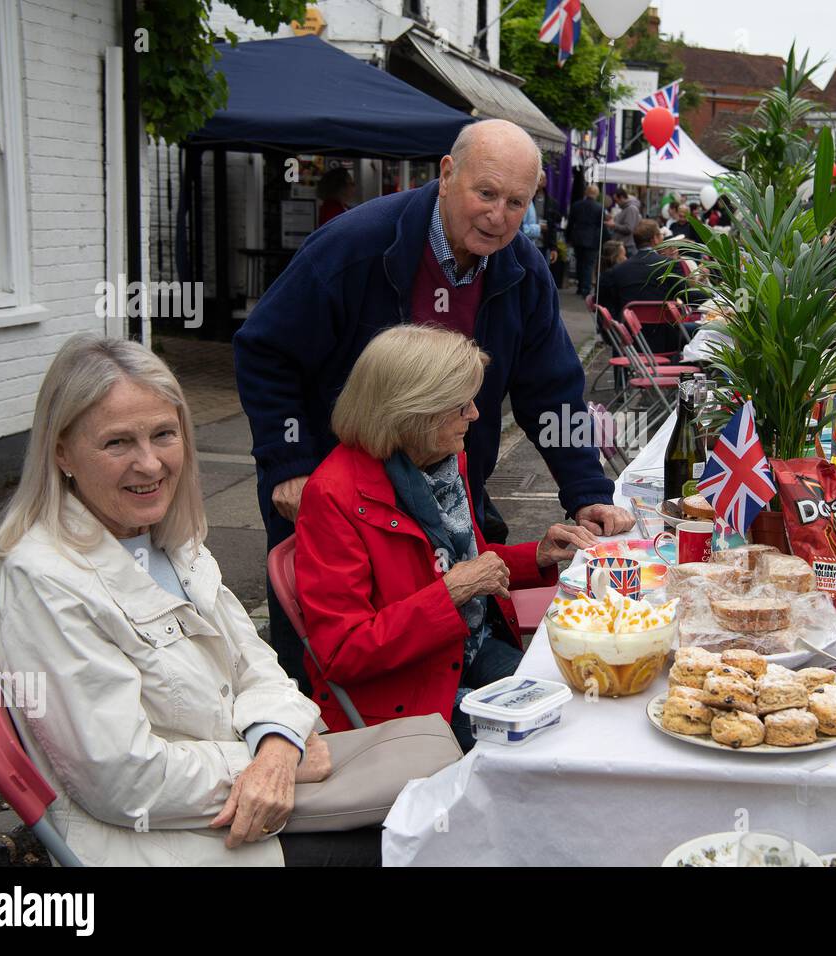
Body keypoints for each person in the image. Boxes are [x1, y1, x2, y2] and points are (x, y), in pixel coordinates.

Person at [0, 335, 434, 866]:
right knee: (420, 839)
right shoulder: (41, 577)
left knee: (435, 809)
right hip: (164, 841)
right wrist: (257, 765)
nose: (149, 465)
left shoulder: (171, 538)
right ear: (60, 452)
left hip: (246, 801)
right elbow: (122, 779)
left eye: (164, 434)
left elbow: (255, 665)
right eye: (117, 443)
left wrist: (279, 746)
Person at [234, 119, 633, 689]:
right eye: (486, 193)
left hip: (446, 476)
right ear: (447, 175)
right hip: (342, 488)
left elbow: (553, 390)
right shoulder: (354, 246)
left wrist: (587, 491)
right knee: (330, 663)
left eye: (516, 202)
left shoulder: (523, 268)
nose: (498, 215)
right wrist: (287, 461)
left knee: (466, 628)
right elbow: (264, 350)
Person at [293, 327, 596, 751]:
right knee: (548, 742)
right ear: (412, 411)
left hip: (464, 648)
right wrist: (452, 591)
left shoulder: (439, 464)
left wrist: (537, 555)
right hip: (404, 691)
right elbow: (344, 652)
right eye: (460, 404)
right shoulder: (333, 495)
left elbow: (456, 560)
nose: (474, 414)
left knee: (582, 701)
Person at [596, 220, 706, 353]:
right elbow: (688, 296)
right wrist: (716, 297)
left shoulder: (617, 271)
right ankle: (691, 372)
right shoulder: (668, 265)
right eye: (660, 235)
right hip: (666, 339)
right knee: (706, 331)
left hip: (631, 339)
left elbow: (608, 305)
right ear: (654, 239)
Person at [566, 185, 604, 297]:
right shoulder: (599, 208)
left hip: (578, 238)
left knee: (579, 263)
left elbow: (571, 222)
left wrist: (568, 237)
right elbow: (600, 226)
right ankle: (585, 289)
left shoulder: (576, 205)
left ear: (586, 193)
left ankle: (580, 286)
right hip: (592, 240)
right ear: (596, 194)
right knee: (588, 265)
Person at [606, 187, 642, 254]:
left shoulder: (631, 209)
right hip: (624, 246)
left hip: (627, 247)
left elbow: (629, 228)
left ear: (622, 197)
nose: (617, 204)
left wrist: (614, 225)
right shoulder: (626, 208)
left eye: (617, 201)